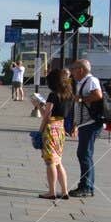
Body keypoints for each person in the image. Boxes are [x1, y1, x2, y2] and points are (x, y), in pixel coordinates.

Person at [69, 57, 105, 197]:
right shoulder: (82, 82)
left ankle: (87, 187)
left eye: (73, 69)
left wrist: (81, 99)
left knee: (85, 154)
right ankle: (85, 185)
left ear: (81, 70)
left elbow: (98, 95)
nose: (72, 72)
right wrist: (76, 124)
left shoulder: (91, 80)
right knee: (83, 154)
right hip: (85, 123)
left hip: (91, 123)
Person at [38, 67, 72, 200]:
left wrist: (38, 105)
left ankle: (51, 191)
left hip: (51, 128)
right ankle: (64, 191)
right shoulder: (68, 94)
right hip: (61, 128)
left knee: (50, 161)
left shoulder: (53, 94)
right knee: (58, 161)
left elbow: (46, 115)